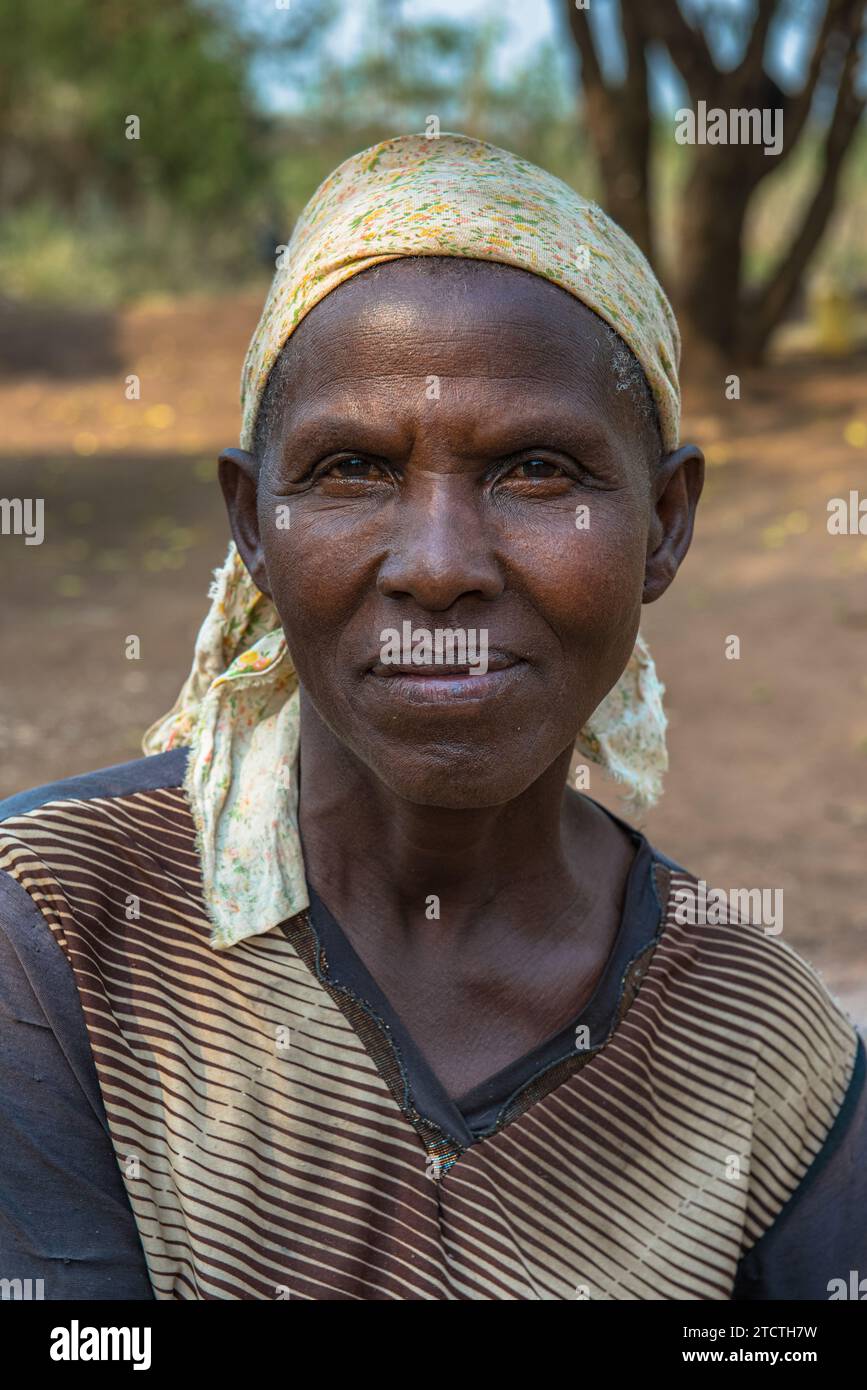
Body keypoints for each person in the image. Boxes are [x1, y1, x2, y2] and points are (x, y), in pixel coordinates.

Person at [0, 133, 864, 1302]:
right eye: (351, 468)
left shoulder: (755, 1036)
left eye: (539, 470)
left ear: (664, 522)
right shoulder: (59, 923)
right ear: (254, 526)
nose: (442, 565)